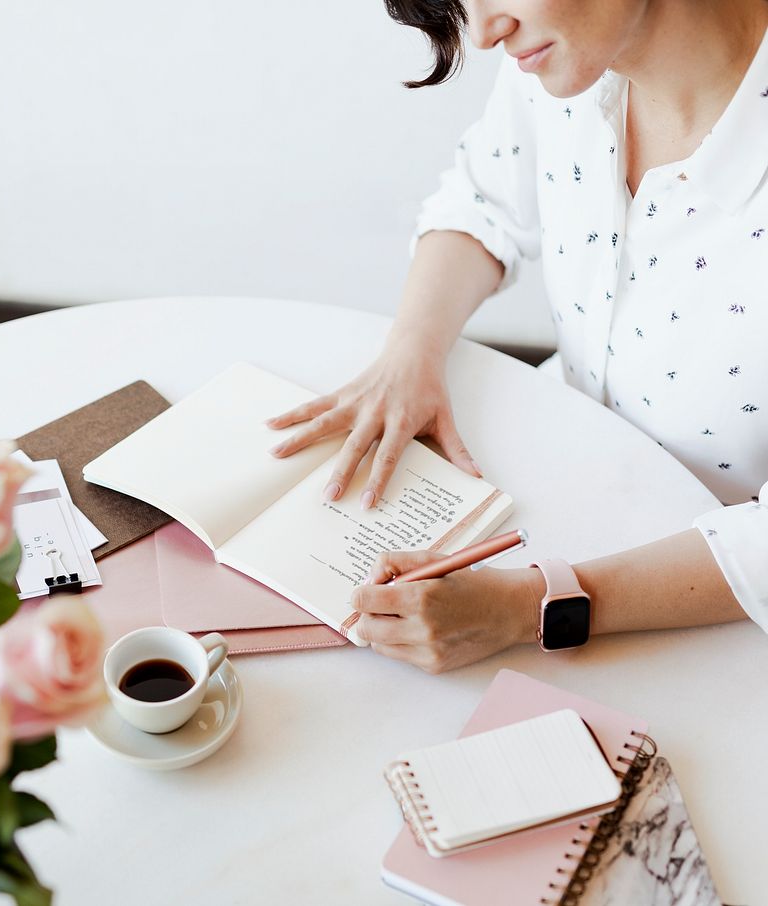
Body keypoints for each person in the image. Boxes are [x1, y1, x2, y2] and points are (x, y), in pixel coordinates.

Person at [267, 0, 768, 674]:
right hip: (566, 482)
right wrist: (411, 351)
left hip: (718, 611)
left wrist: (533, 605)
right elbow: (483, 200)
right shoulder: (570, 61)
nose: (482, 32)